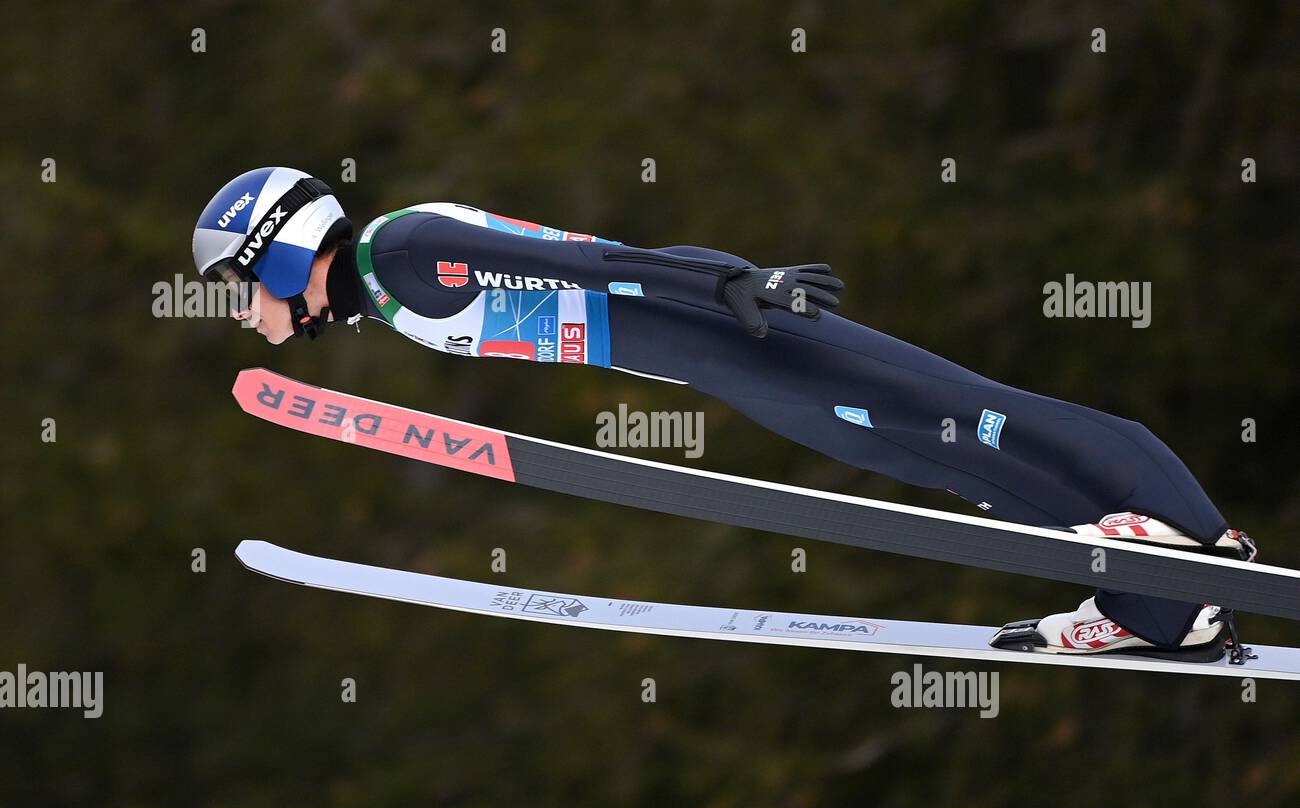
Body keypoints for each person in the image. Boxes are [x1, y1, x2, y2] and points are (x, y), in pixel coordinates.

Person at [194, 166, 1257, 660]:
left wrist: (733, 286)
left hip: (738, 338)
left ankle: (1194, 543)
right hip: (728, 364)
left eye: (242, 285)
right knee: (951, 463)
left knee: (968, 418)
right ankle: (1153, 597)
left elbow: (583, 261)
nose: (246, 312)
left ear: (278, 255)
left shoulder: (401, 253)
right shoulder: (387, 285)